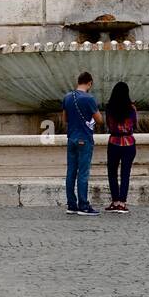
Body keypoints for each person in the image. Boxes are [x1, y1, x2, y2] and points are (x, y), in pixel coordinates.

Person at [62, 71, 104, 216]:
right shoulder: (89, 99)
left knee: (71, 172)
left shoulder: (67, 97)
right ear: (89, 83)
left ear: (78, 81)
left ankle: (71, 205)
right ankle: (84, 206)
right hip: (84, 139)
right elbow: (99, 120)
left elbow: (64, 119)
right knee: (83, 173)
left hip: (71, 138)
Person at [104, 81, 137, 213]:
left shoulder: (109, 108)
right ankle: (122, 203)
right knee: (125, 174)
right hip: (129, 142)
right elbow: (135, 125)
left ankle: (115, 201)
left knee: (112, 173)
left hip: (114, 142)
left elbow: (108, 124)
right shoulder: (131, 109)